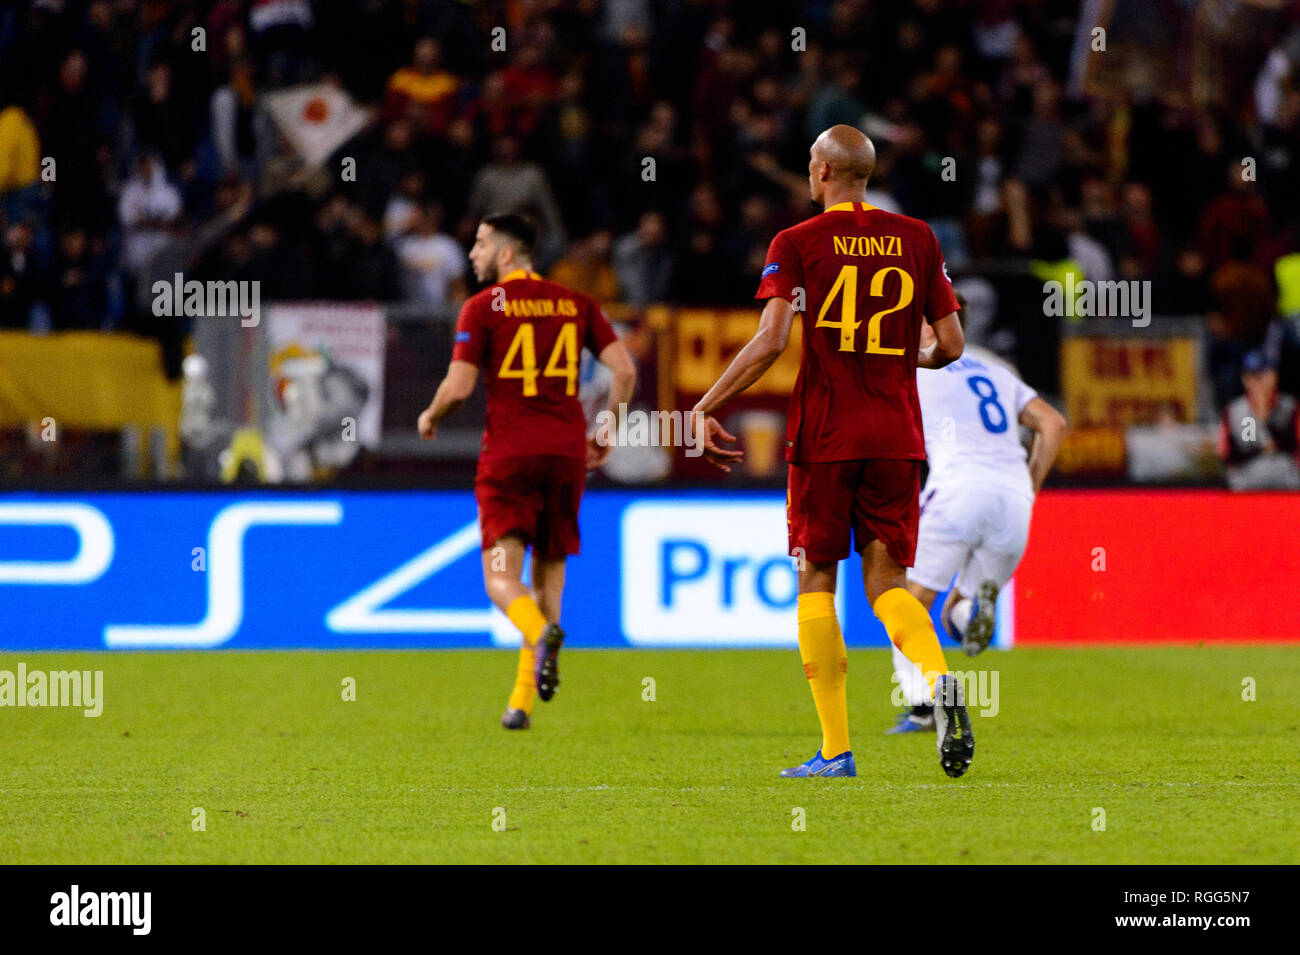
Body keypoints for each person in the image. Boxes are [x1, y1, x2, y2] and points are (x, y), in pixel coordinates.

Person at [690, 125, 973, 779]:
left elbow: (769, 341)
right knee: (890, 587)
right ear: (865, 175)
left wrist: (704, 407)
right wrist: (910, 357)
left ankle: (836, 749)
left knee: (818, 580)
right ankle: (936, 680)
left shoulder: (796, 243)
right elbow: (953, 345)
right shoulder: (919, 238)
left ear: (820, 171)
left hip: (826, 435)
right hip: (898, 435)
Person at [418, 214, 636, 729]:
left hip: (509, 456)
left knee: (500, 578)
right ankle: (520, 703)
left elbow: (458, 389)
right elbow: (624, 370)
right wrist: (605, 432)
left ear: (508, 254)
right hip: (565, 454)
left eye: (480, 244)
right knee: (549, 577)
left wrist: (429, 415)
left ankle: (540, 637)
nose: (472, 254)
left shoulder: (482, 307)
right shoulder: (577, 304)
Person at [887, 300, 1067, 734]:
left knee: (907, 601)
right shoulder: (997, 371)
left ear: (930, 331)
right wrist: (1032, 484)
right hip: (1013, 500)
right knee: (957, 611)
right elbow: (1054, 423)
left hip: (957, 490)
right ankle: (973, 616)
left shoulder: (911, 367)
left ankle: (925, 706)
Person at [1217, 350, 1300, 490]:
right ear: (1244, 379)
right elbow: (1229, 454)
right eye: (1252, 376)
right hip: (1247, 480)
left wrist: (1265, 419)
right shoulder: (1234, 411)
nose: (1257, 382)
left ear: (1274, 376)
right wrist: (1262, 437)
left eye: (1262, 375)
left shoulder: (1290, 407)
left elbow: (1293, 446)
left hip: (1286, 479)